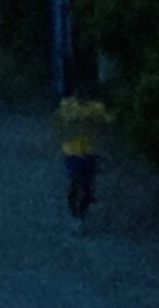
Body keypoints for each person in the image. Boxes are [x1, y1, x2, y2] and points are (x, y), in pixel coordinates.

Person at [57, 92, 112, 222]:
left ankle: (80, 212)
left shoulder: (92, 109)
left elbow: (107, 122)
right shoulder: (74, 108)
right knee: (78, 181)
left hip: (87, 152)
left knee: (84, 184)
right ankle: (76, 211)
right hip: (76, 152)